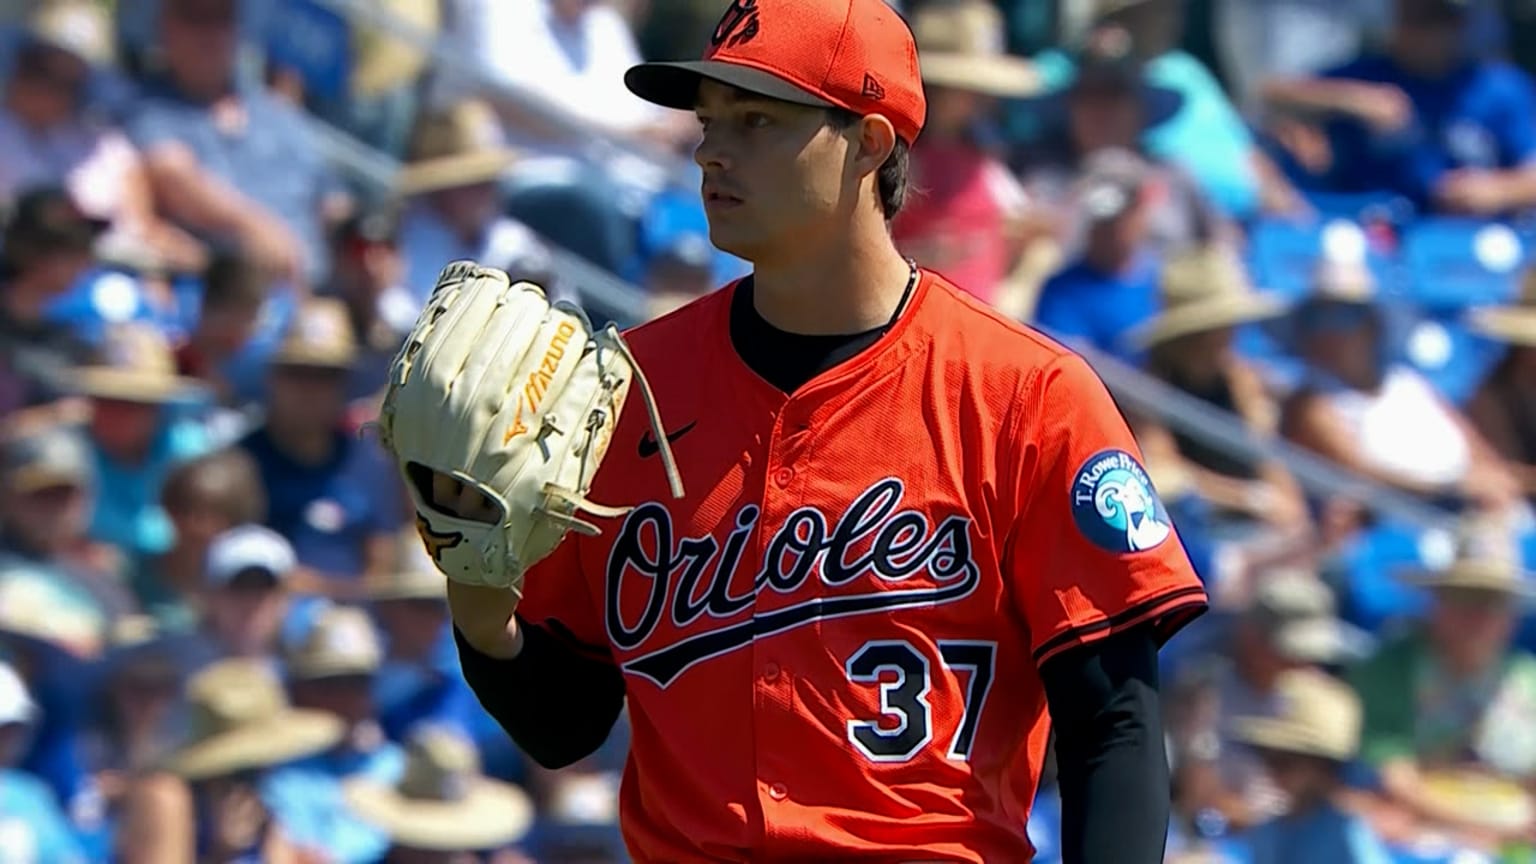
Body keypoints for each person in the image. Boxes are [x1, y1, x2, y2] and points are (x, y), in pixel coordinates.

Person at [430, 0, 1210, 859]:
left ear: (871, 144)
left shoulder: (1025, 396)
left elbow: (1115, 726)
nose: (711, 150)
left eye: (758, 119)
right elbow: (563, 725)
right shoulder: (623, 393)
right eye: (708, 120)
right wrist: (476, 598)